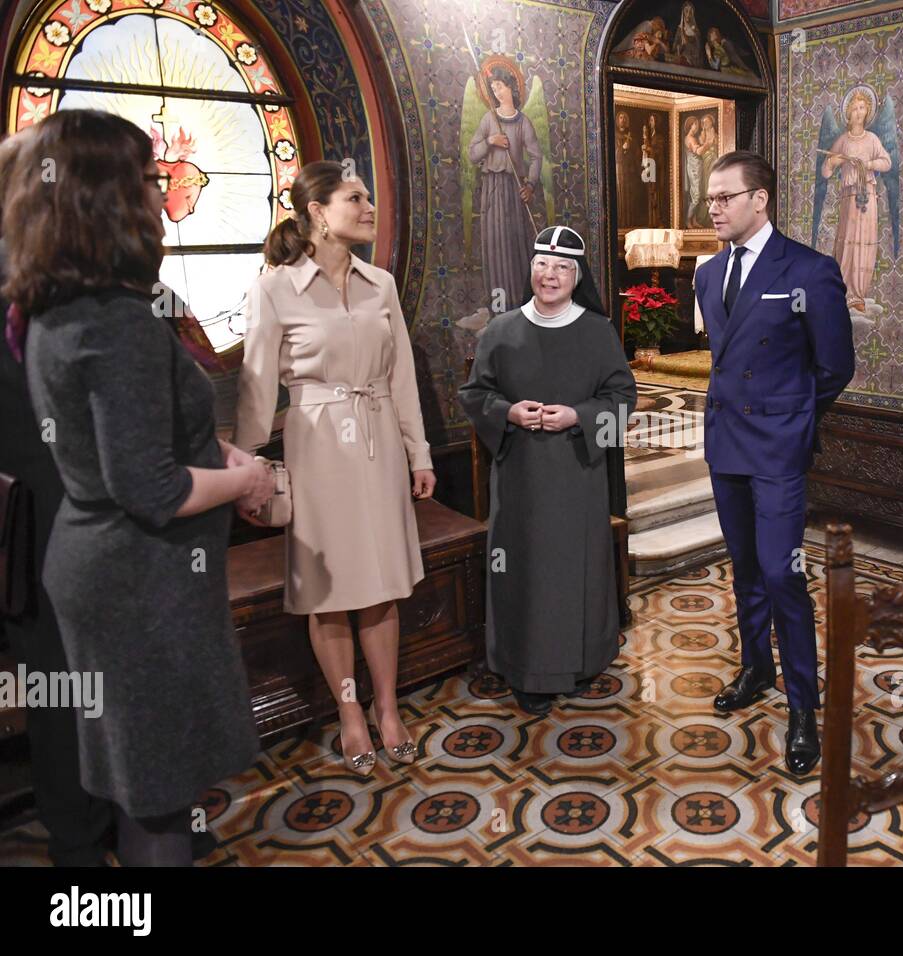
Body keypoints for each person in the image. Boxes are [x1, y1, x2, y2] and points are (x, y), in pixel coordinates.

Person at [5, 109, 273, 865]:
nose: (163, 193)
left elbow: (129, 439)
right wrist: (246, 474)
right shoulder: (115, 318)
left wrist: (214, 453)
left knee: (141, 781)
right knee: (159, 795)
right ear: (107, 195)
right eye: (150, 180)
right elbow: (150, 486)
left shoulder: (58, 303)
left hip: (102, 569)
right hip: (137, 578)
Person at [233, 160, 435, 776]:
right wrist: (245, 472)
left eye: (369, 197)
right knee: (329, 594)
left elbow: (401, 378)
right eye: (356, 197)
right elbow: (256, 388)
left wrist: (418, 453)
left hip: (378, 442)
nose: (369, 206)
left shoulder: (382, 284)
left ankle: (389, 708)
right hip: (317, 447)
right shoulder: (273, 288)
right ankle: (350, 714)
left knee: (379, 587)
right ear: (318, 210)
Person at [694, 150, 854, 775]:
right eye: (709, 198)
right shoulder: (708, 274)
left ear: (759, 200)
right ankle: (756, 665)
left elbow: (836, 365)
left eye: (725, 197)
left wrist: (791, 418)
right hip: (726, 445)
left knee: (783, 573)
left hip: (778, 449)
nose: (714, 207)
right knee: (744, 566)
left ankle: (804, 707)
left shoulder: (809, 270)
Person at [458, 226, 635, 716]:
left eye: (561, 267)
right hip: (520, 478)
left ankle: (581, 662)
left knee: (575, 569)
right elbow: (475, 395)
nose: (549, 275)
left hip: (578, 476)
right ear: (530, 269)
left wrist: (578, 415)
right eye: (541, 264)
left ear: (576, 277)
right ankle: (525, 669)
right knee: (524, 570)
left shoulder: (598, 332)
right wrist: (509, 414)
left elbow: (623, 399)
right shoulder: (501, 331)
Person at [0, 127, 114, 867]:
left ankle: (124, 816)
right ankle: (74, 838)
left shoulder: (88, 274)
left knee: (113, 679)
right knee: (58, 687)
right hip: (34, 514)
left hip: (105, 510)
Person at [468, 67, 542, 312]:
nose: (497, 91)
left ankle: (518, 304)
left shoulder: (523, 122)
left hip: (512, 190)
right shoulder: (490, 119)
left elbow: (536, 157)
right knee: (495, 243)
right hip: (493, 190)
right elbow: (472, 153)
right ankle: (497, 306)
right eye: (493, 88)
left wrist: (530, 185)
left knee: (514, 244)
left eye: (500, 86)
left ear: (512, 87)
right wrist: (491, 141)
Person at [820, 89, 892, 310]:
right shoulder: (843, 140)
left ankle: (858, 294)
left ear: (867, 112)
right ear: (848, 113)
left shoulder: (872, 139)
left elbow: (886, 162)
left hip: (868, 196)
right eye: (855, 108)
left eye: (862, 108)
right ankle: (845, 291)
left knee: (865, 242)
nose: (859, 112)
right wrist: (834, 162)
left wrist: (869, 164)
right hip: (850, 196)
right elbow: (826, 171)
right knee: (849, 241)